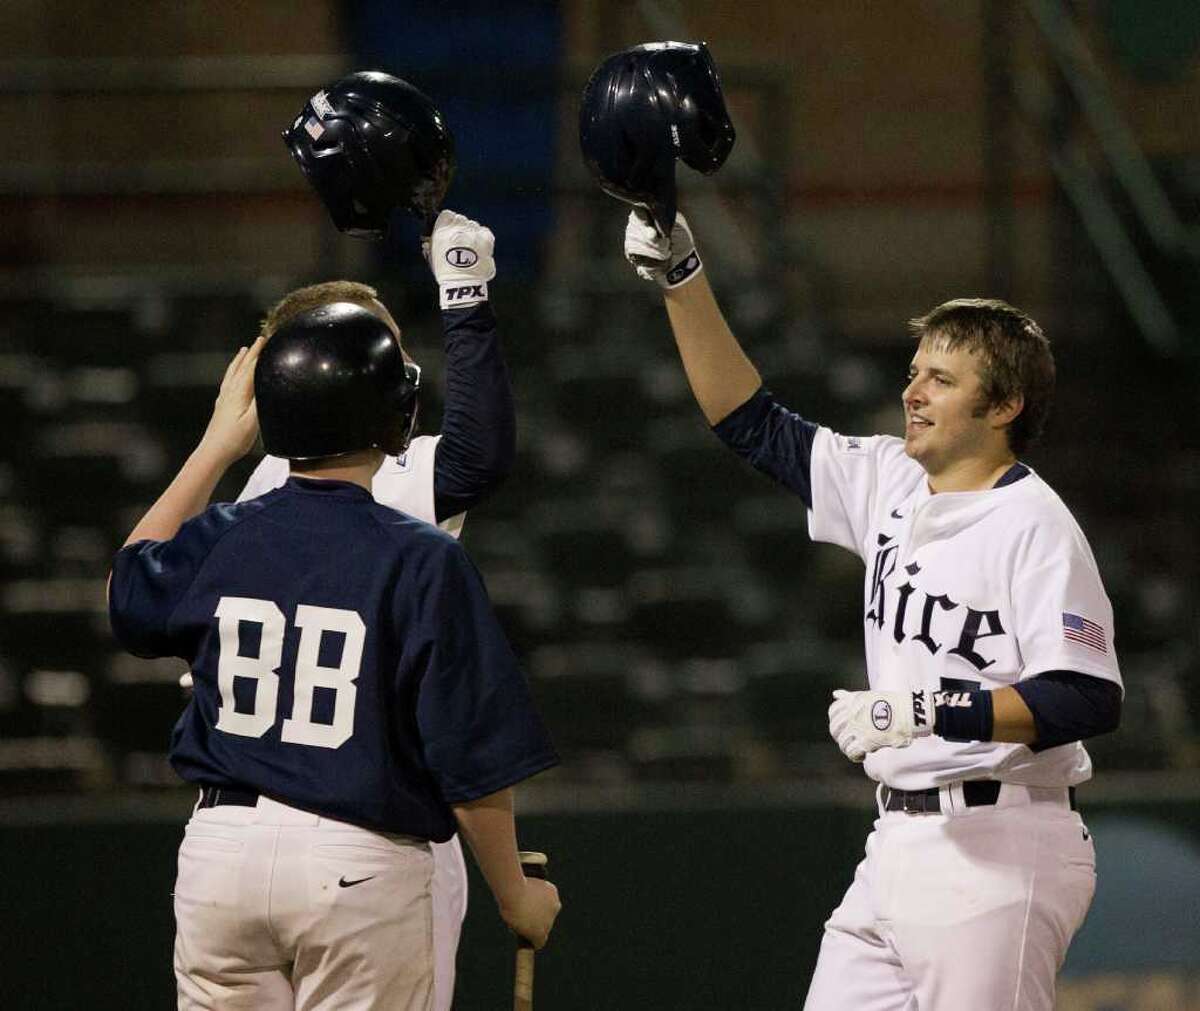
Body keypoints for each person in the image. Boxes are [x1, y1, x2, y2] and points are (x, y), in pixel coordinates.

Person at [624, 208, 1122, 1011]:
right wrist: (683, 278)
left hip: (1001, 842)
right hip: (896, 838)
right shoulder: (889, 478)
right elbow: (748, 422)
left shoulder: (1036, 526)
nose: (912, 391)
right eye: (916, 371)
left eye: (942, 380)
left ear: (1003, 407)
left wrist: (931, 708)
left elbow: (1087, 697)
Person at [108, 295, 560, 1007]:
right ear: (389, 417)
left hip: (219, 858)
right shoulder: (421, 558)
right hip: (357, 864)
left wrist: (214, 446)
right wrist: (515, 894)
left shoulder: (222, 534)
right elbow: (472, 767)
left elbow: (127, 586)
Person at [230, 209, 514, 1011]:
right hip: (369, 838)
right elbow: (479, 453)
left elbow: (132, 587)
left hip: (232, 845)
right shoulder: (373, 476)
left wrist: (216, 445)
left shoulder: (241, 508)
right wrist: (465, 291)